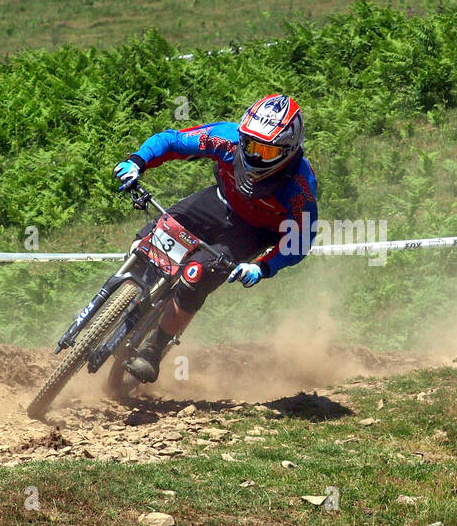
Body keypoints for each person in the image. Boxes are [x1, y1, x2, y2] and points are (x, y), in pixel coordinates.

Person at [112, 94, 317, 383]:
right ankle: (120, 302)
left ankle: (153, 350)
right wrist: (137, 161)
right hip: (218, 202)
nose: (255, 156)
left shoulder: (300, 187)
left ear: (289, 150)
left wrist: (263, 266)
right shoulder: (227, 138)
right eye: (250, 145)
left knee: (195, 277)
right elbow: (173, 141)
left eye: (267, 152)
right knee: (148, 242)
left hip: (253, 233)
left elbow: (302, 239)